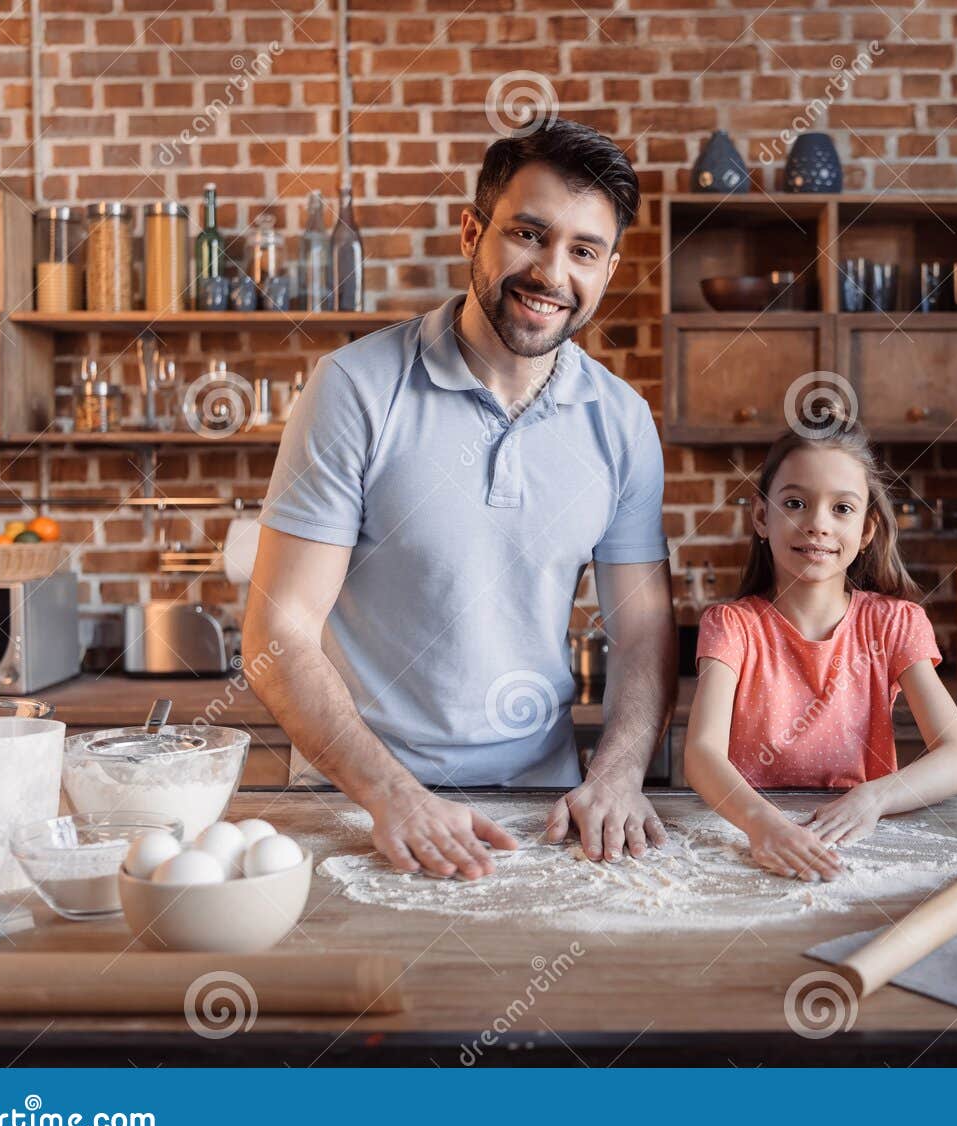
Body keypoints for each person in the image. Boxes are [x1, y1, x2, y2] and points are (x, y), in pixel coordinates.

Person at [244, 119, 676, 881]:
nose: (550, 272)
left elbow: (641, 632)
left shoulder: (621, 421)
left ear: (608, 269)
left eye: (582, 251)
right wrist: (391, 797)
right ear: (473, 231)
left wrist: (617, 773)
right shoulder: (355, 388)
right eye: (528, 235)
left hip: (544, 815)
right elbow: (278, 631)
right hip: (359, 812)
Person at [682, 424, 957, 882]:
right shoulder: (732, 626)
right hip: (747, 840)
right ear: (762, 517)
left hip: (858, 844)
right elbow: (702, 754)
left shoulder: (895, 623)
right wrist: (762, 825)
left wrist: (874, 798)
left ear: (866, 531)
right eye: (796, 503)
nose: (818, 523)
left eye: (842, 508)